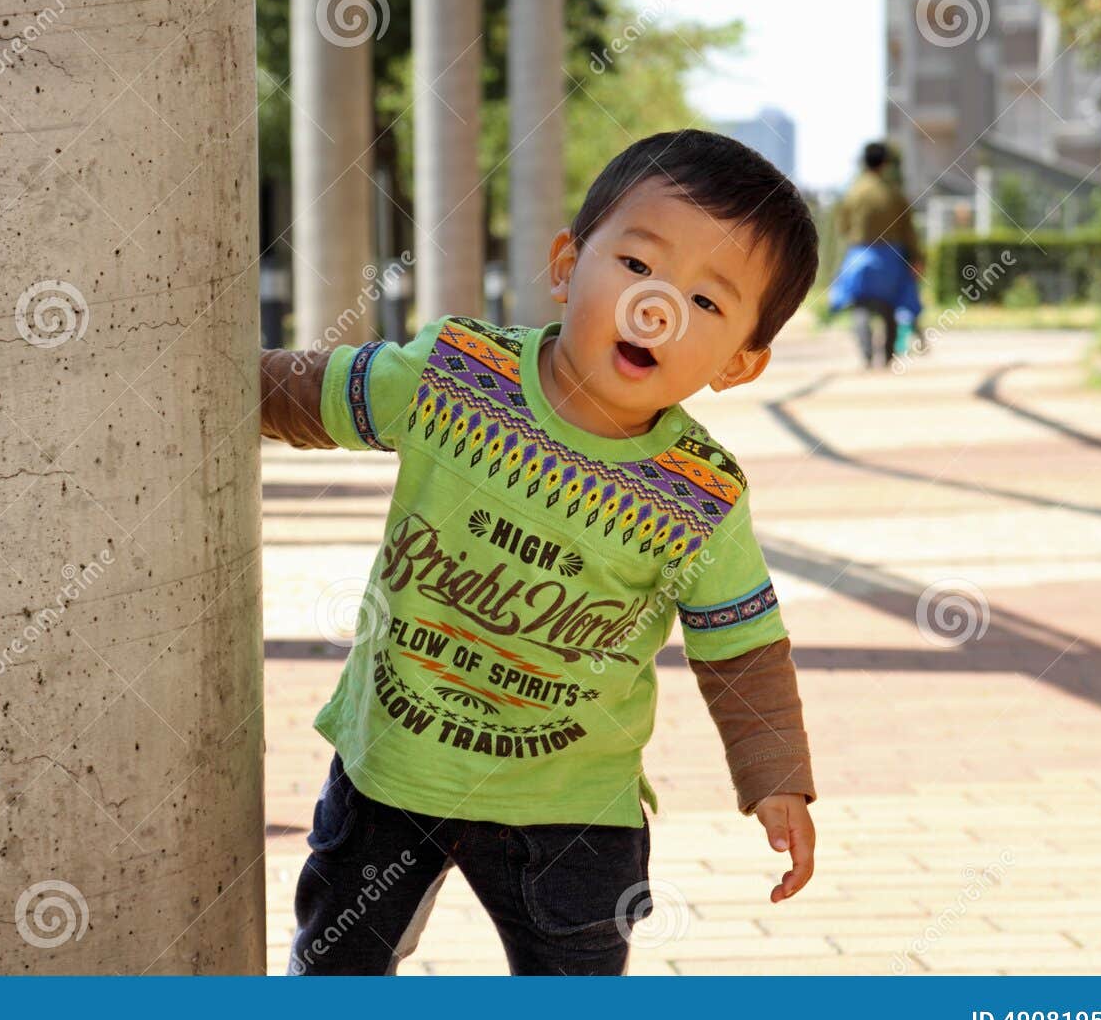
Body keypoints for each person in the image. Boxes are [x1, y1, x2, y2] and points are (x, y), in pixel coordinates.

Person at [259, 129, 819, 976]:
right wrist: (211, 377)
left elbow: (740, 644)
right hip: (395, 772)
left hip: (573, 808)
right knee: (338, 963)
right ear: (566, 264)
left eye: (707, 303)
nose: (657, 307)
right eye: (637, 265)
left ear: (740, 362)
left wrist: (776, 773)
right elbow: (317, 390)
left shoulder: (701, 495)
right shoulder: (453, 375)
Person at [828, 141, 923, 369]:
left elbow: (842, 227)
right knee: (888, 308)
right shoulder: (894, 194)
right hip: (890, 258)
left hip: (859, 256)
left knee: (859, 306)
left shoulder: (853, 192)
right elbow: (908, 230)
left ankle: (867, 354)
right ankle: (888, 356)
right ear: (885, 164)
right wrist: (917, 258)